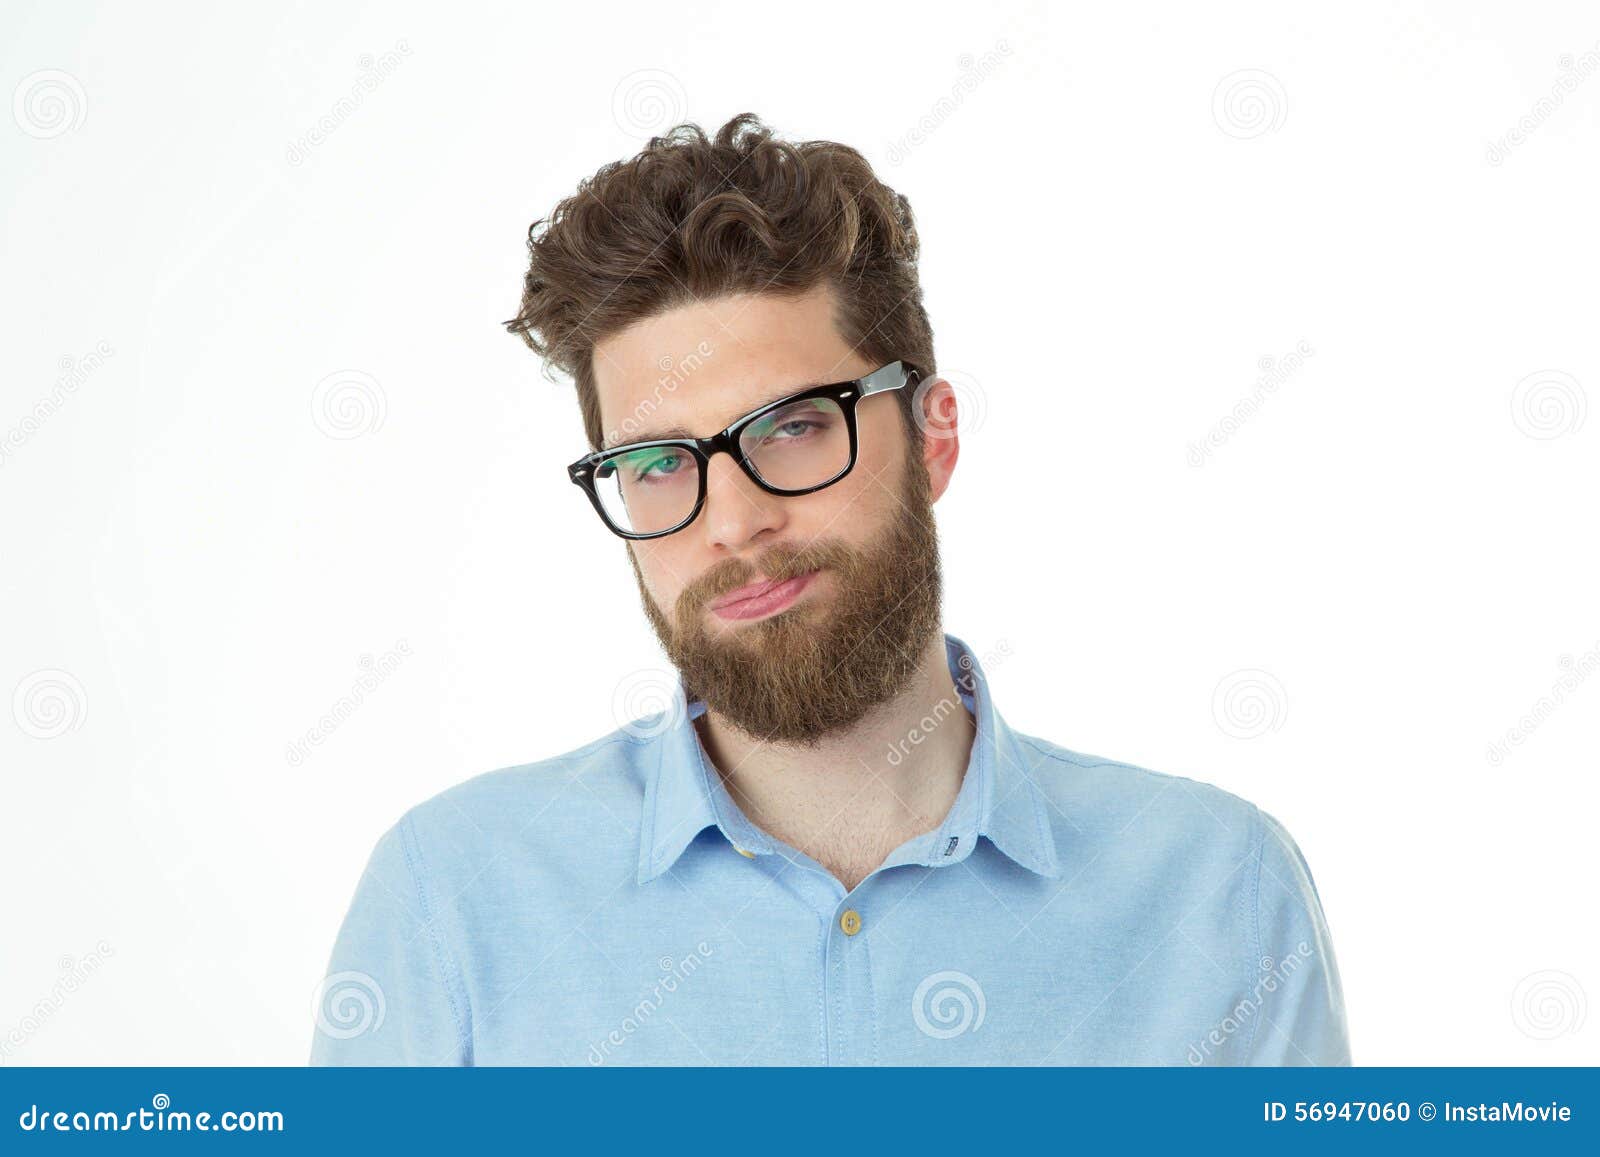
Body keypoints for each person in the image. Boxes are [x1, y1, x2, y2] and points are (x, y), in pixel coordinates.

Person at [310, 112, 1349, 1066]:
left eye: (792, 427)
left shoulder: (1217, 892)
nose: (732, 520)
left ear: (932, 436)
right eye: (660, 462)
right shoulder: (450, 897)